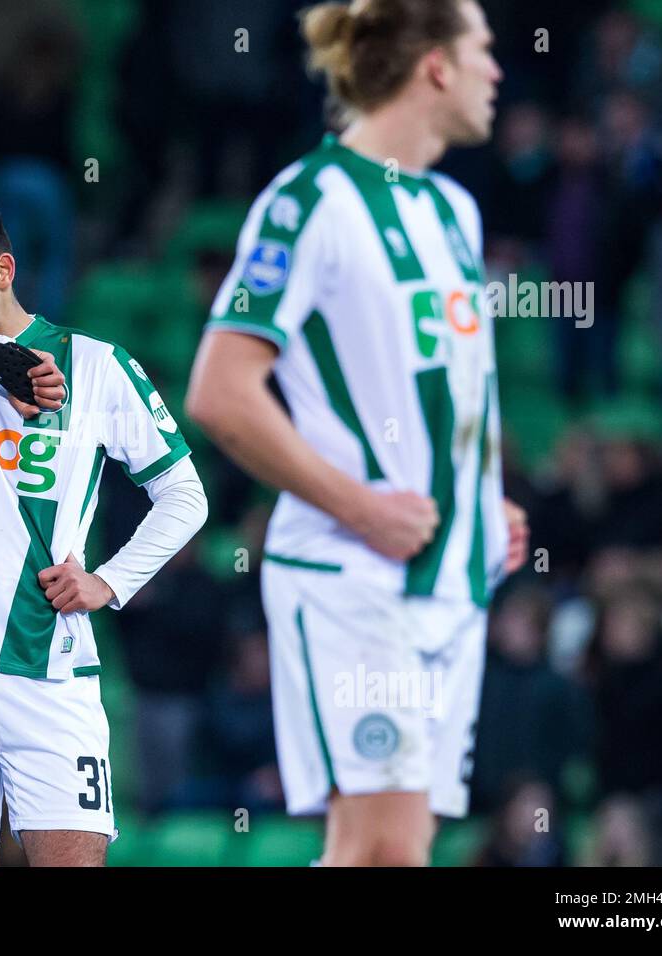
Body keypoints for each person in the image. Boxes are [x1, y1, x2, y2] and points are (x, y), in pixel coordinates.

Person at [186, 0, 528, 865]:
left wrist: (484, 505)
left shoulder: (454, 210)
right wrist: (363, 508)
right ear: (437, 67)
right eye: (485, 49)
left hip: (450, 582)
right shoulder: (310, 200)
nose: (499, 70)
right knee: (382, 853)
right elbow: (221, 393)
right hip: (353, 575)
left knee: (386, 850)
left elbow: (443, 389)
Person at [0, 194, 208, 866]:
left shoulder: (97, 367)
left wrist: (110, 581)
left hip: (48, 663)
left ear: (3, 271)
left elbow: (184, 495)